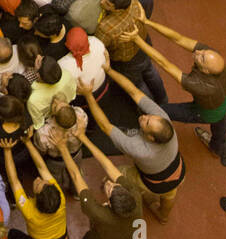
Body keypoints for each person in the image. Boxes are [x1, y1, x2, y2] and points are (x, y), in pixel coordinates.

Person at [131, 17, 226, 166]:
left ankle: (145, 133)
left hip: (206, 111)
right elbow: (179, 39)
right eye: (202, 52)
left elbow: (164, 64)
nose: (198, 52)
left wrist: (137, 40)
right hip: (224, 100)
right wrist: (147, 22)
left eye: (202, 58)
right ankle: (217, 147)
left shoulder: (200, 86)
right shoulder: (214, 58)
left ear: (205, 70)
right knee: (219, 120)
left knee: (161, 111)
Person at [78, 68, 185, 224]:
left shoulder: (139, 148)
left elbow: (105, 126)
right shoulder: (163, 122)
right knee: (170, 192)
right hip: (178, 173)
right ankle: (163, 216)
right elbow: (135, 92)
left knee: (120, 172)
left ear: (150, 138)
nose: (143, 116)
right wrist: (109, 69)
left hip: (153, 183)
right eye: (149, 117)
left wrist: (88, 95)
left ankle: (114, 188)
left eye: (146, 122)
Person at [56, 133, 141, 239]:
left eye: (109, 190)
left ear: (110, 204)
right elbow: (107, 164)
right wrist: (83, 137)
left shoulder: (98, 214)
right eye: (114, 185)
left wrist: (62, 147)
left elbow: (76, 176)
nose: (109, 184)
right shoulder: (135, 195)